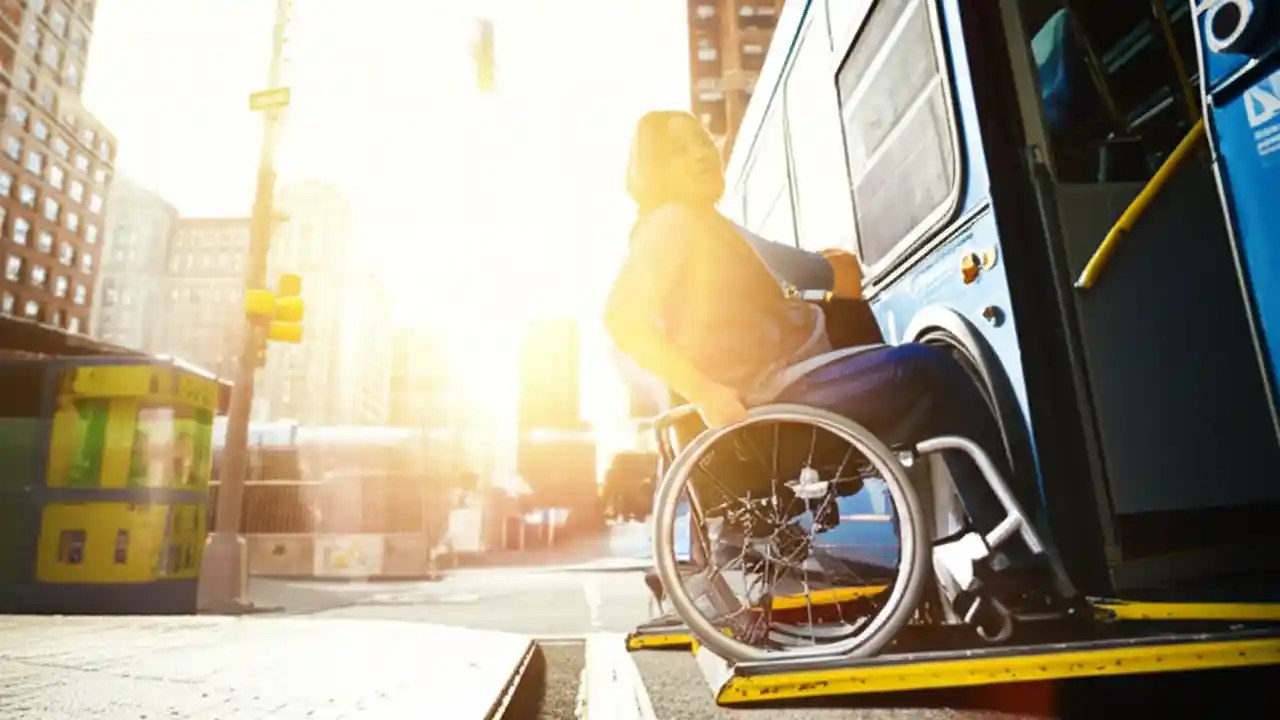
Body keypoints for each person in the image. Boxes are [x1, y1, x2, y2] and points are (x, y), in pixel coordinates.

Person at [604, 110, 1031, 563]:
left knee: (920, 380)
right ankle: (1017, 551)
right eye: (679, 150)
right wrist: (705, 392)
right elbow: (622, 319)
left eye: (703, 141)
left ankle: (991, 542)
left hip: (784, 385)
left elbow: (821, 270)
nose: (700, 154)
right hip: (774, 394)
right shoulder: (671, 223)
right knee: (930, 372)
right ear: (654, 170)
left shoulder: (706, 223)